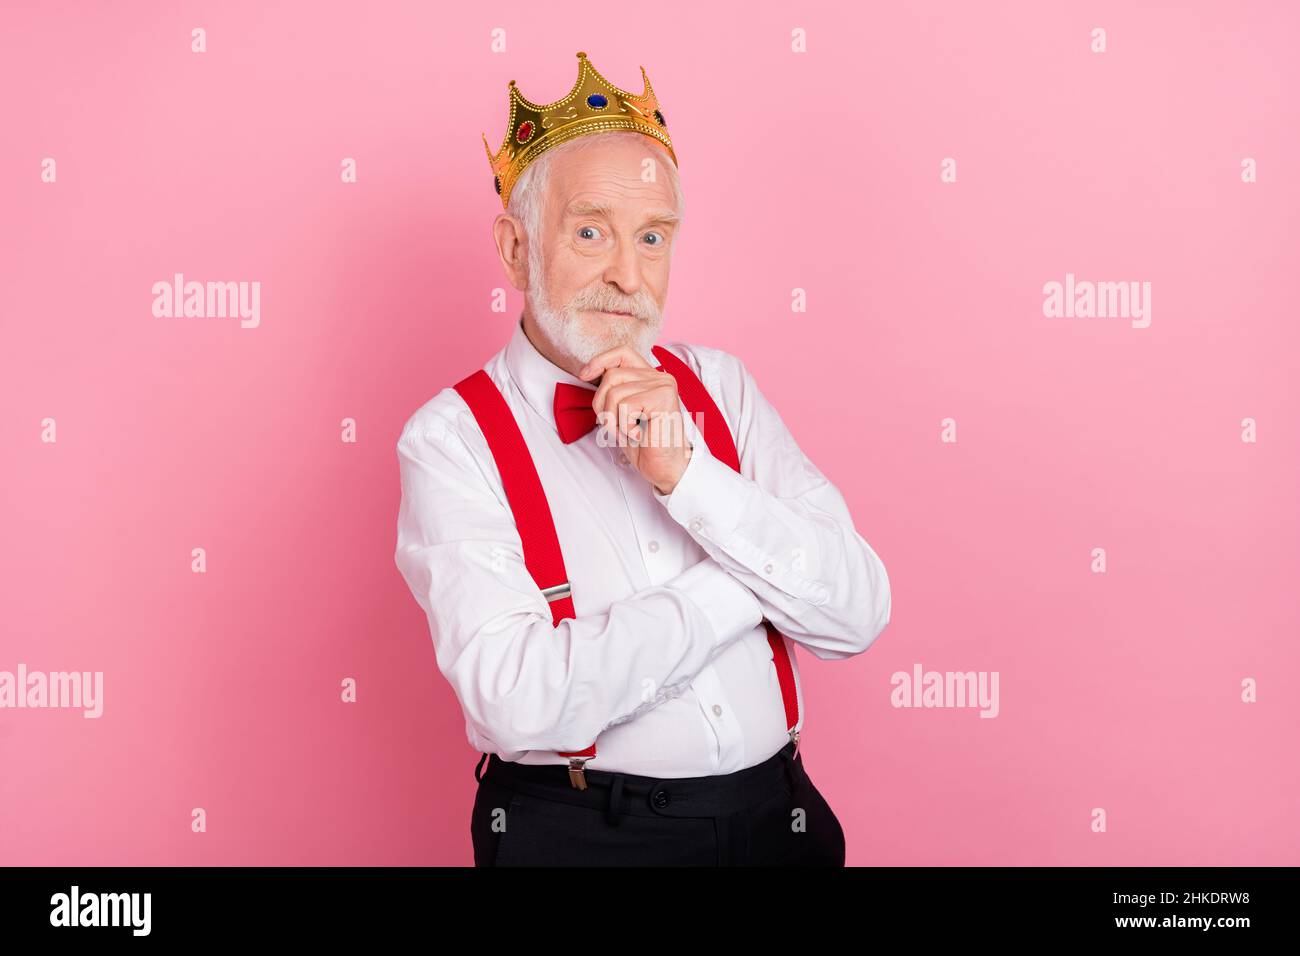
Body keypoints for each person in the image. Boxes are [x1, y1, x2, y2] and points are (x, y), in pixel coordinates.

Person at [394, 52, 891, 866]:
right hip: (584, 837)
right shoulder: (450, 439)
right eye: (590, 231)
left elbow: (856, 612)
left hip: (781, 819)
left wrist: (688, 478)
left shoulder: (723, 386)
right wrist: (746, 580)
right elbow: (518, 700)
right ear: (516, 249)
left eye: (652, 237)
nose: (627, 274)